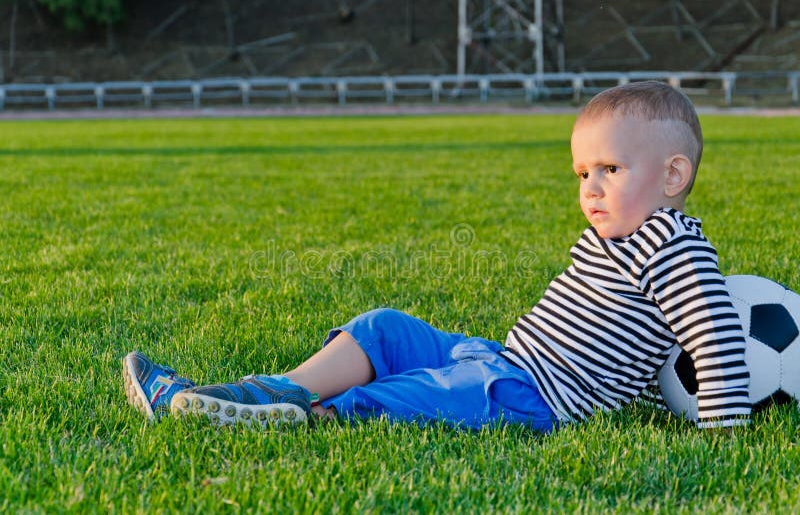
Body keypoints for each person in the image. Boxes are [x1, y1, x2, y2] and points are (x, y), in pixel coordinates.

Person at [122, 80, 751, 432]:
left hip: (530, 397)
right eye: (582, 171)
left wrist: (723, 431)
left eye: (610, 168)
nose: (589, 187)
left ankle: (297, 418)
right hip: (503, 360)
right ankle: (267, 390)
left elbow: (714, 334)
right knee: (383, 327)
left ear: (674, 175)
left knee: (415, 394)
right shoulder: (617, 236)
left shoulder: (672, 244)